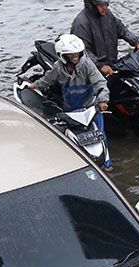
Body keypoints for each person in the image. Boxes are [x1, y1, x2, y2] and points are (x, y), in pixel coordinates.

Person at [27, 33, 112, 168]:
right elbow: (47, 79)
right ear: (63, 56)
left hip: (90, 107)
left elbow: (100, 82)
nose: (75, 56)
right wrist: (34, 85)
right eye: (72, 54)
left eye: (77, 53)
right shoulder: (58, 68)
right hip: (70, 109)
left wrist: (102, 101)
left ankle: (107, 164)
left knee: (100, 135)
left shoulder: (87, 65)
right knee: (68, 141)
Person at [70, 0, 139, 77]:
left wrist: (136, 42)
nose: (105, 8)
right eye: (101, 6)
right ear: (92, 6)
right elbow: (83, 52)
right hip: (93, 73)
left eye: (106, 4)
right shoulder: (81, 24)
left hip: (111, 67)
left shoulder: (107, 15)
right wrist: (100, 66)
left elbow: (121, 29)